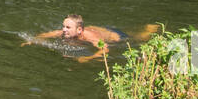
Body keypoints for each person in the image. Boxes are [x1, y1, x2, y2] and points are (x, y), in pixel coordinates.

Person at [23, 14, 159, 63]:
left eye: (68, 28)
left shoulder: (90, 37)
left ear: (79, 30)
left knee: (138, 38)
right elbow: (47, 34)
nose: (64, 30)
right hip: (100, 29)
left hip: (114, 36)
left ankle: (149, 29)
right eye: (64, 26)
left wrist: (88, 58)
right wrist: (32, 40)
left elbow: (105, 49)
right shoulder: (64, 32)